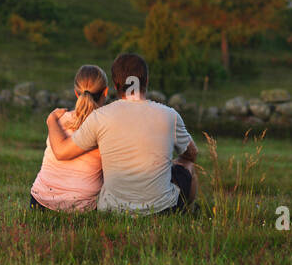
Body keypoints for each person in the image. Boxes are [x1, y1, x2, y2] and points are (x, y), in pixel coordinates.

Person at [47, 52, 198, 214]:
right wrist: (174, 162)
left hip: (113, 210)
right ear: (146, 81)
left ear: (115, 85)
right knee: (188, 166)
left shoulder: (100, 117)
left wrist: (51, 121)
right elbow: (192, 153)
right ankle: (189, 211)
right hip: (161, 209)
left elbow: (62, 152)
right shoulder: (170, 115)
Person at [30, 65, 107, 211]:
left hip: (39, 200)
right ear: (106, 92)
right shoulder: (104, 128)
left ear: (76, 93)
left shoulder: (58, 119)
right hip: (81, 206)